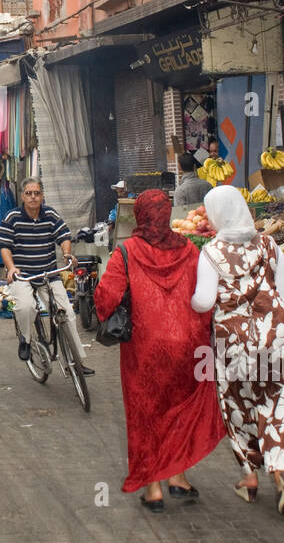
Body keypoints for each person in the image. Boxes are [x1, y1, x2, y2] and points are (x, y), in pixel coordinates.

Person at [93, 190, 224, 511]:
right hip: (188, 346)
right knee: (178, 409)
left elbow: (105, 298)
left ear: (140, 215)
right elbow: (206, 296)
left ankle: (153, 489)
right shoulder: (190, 250)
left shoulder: (127, 251)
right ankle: (177, 476)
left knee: (145, 414)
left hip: (145, 350)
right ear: (166, 215)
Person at [191, 184, 284, 514]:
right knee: (278, 406)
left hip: (234, 344)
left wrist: (190, 302)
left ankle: (249, 478)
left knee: (239, 406)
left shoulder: (211, 252)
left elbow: (204, 301)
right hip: (276, 336)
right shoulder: (270, 244)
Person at [0, 178, 92, 373]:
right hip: (22, 275)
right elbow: (4, 246)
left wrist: (66, 254)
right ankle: (26, 339)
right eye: (29, 193)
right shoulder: (12, 217)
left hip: (48, 273)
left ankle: (77, 362)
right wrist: (11, 268)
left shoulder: (50, 214)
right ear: (23, 196)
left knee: (67, 313)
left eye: (37, 193)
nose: (33, 197)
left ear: (42, 195)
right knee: (26, 307)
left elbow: (63, 236)